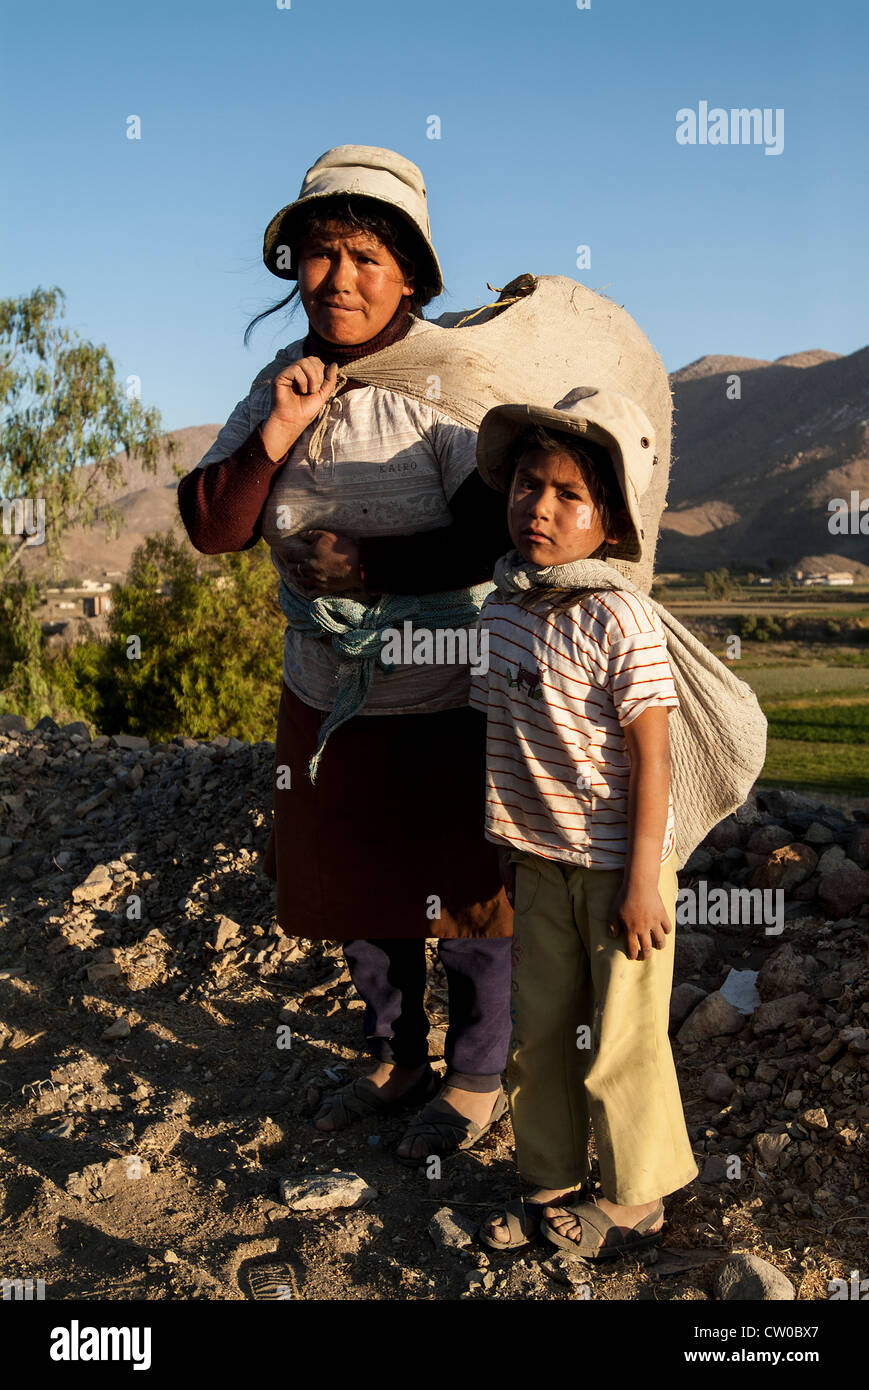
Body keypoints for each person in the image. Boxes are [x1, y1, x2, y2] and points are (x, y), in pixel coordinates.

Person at [177, 145, 514, 1163]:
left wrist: (369, 560)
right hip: (325, 694)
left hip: (450, 690)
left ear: (409, 272)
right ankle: (392, 1054)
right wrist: (278, 426)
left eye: (364, 255)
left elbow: (490, 530)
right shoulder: (281, 383)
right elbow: (213, 525)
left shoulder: (448, 382)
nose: (339, 279)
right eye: (321, 255)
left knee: (463, 895)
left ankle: (474, 1080)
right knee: (360, 893)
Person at [467, 387, 699, 1257]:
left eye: (571, 495)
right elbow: (499, 735)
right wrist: (502, 843)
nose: (542, 508)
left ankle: (638, 1201)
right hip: (538, 859)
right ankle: (550, 1179)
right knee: (537, 1031)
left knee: (624, 1038)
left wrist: (642, 881)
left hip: (619, 869)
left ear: (609, 521)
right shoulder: (503, 609)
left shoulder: (619, 617)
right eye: (529, 485)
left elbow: (653, 758)